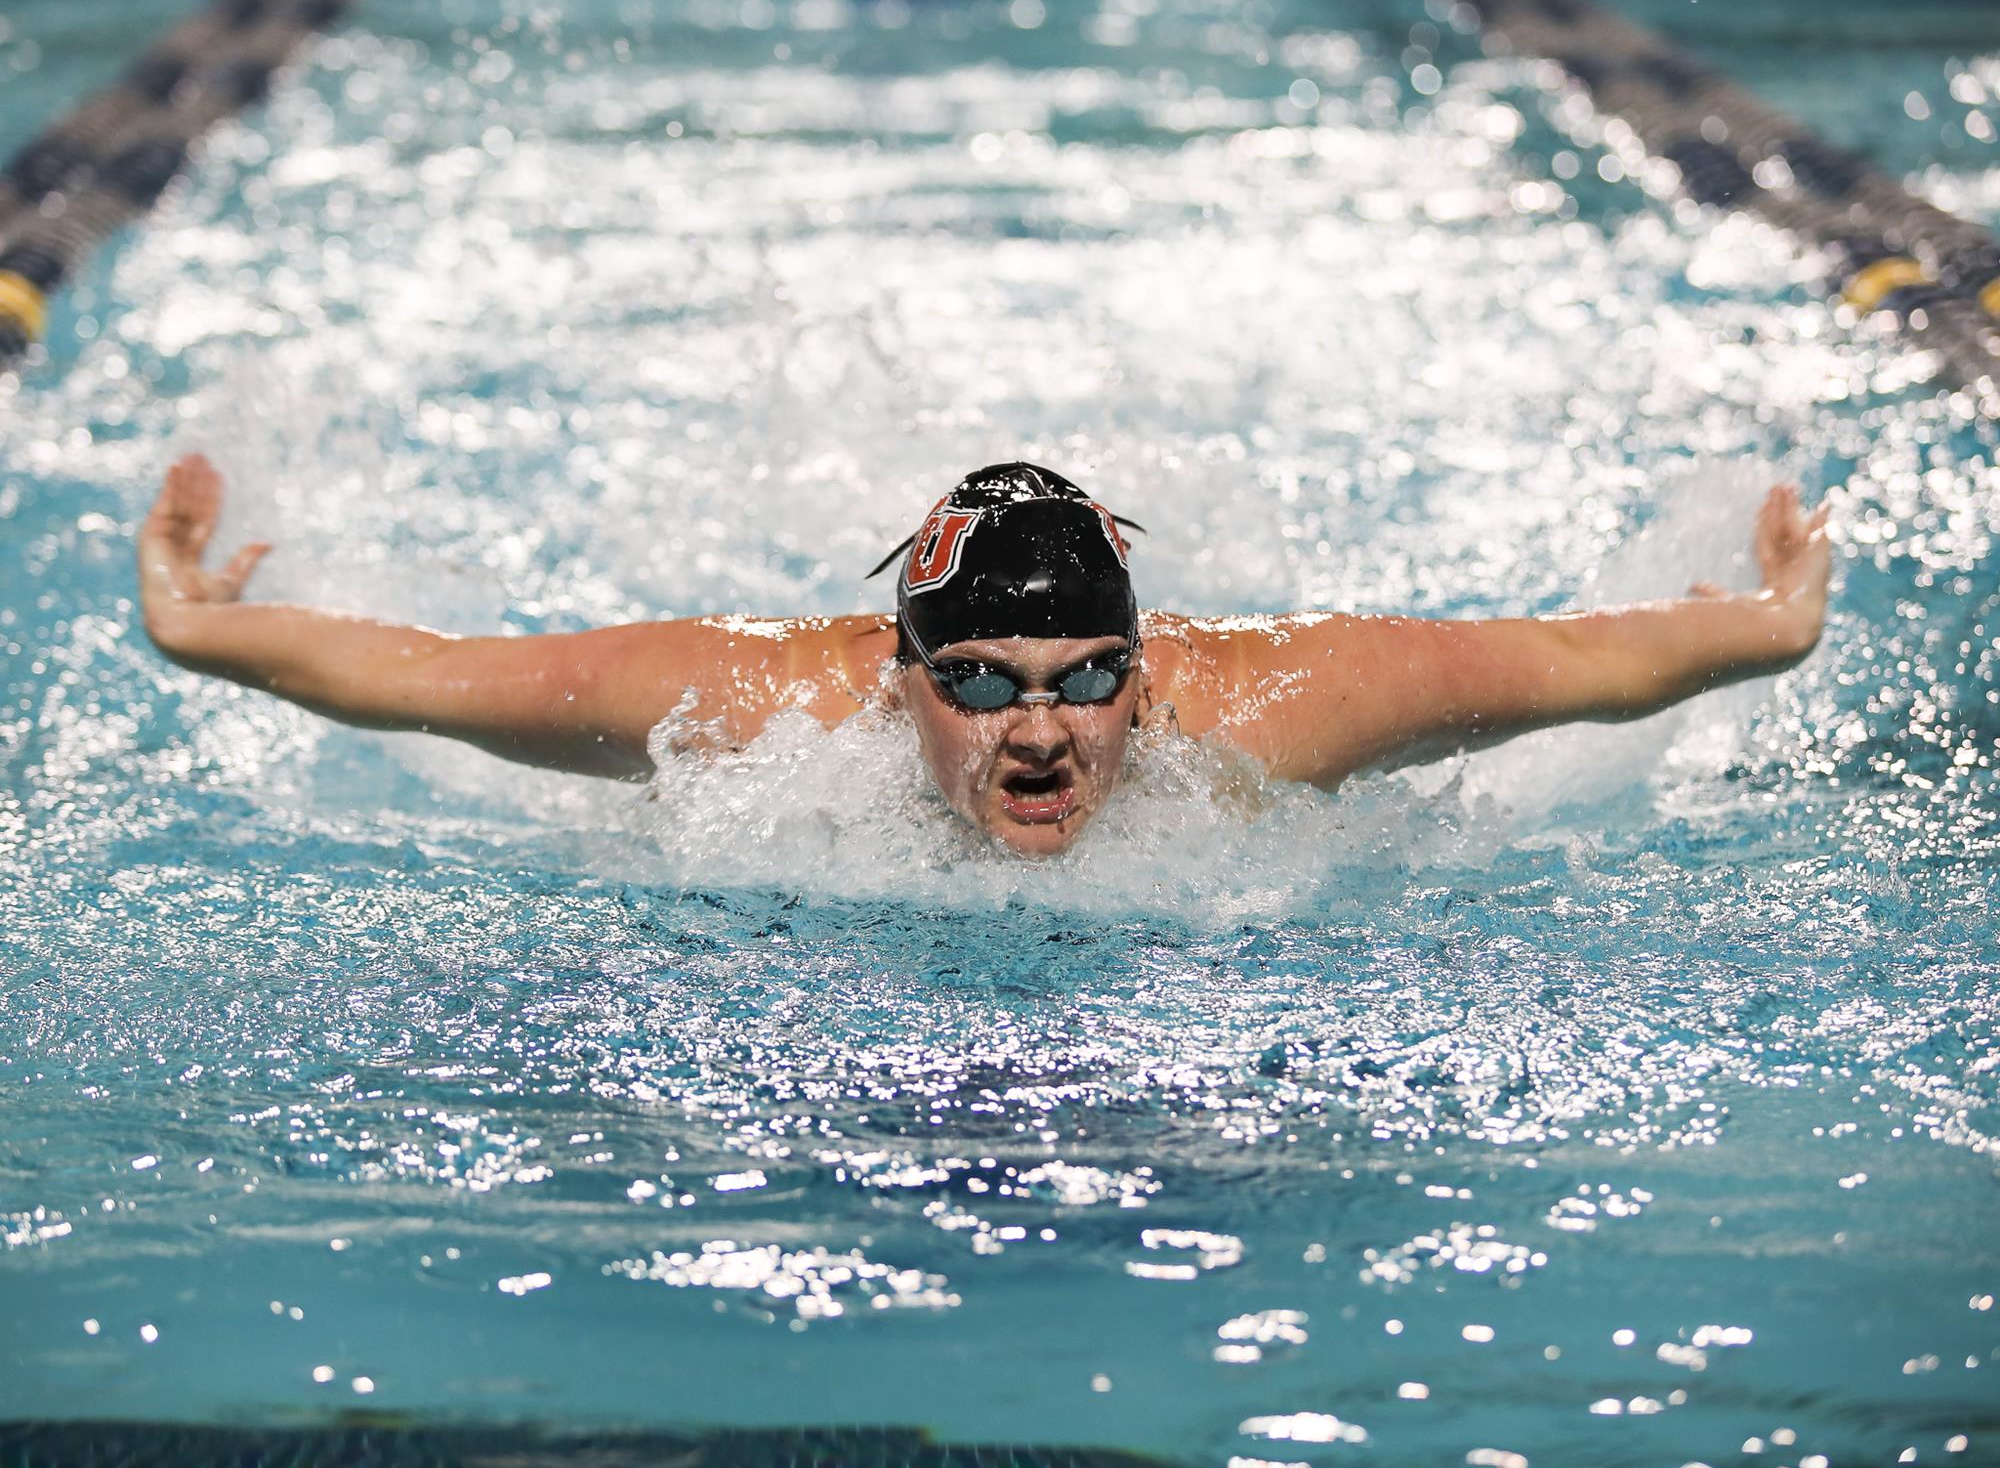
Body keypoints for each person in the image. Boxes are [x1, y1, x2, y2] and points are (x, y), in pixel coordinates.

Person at [138, 454, 1831, 857]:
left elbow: (1562, 662)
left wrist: (1765, 627)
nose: (1046, 735)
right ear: (903, 683)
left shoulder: (1266, 718)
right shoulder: (762, 713)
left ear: (1145, 675)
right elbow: (434, 678)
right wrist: (205, 629)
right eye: (988, 683)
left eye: (1090, 677)